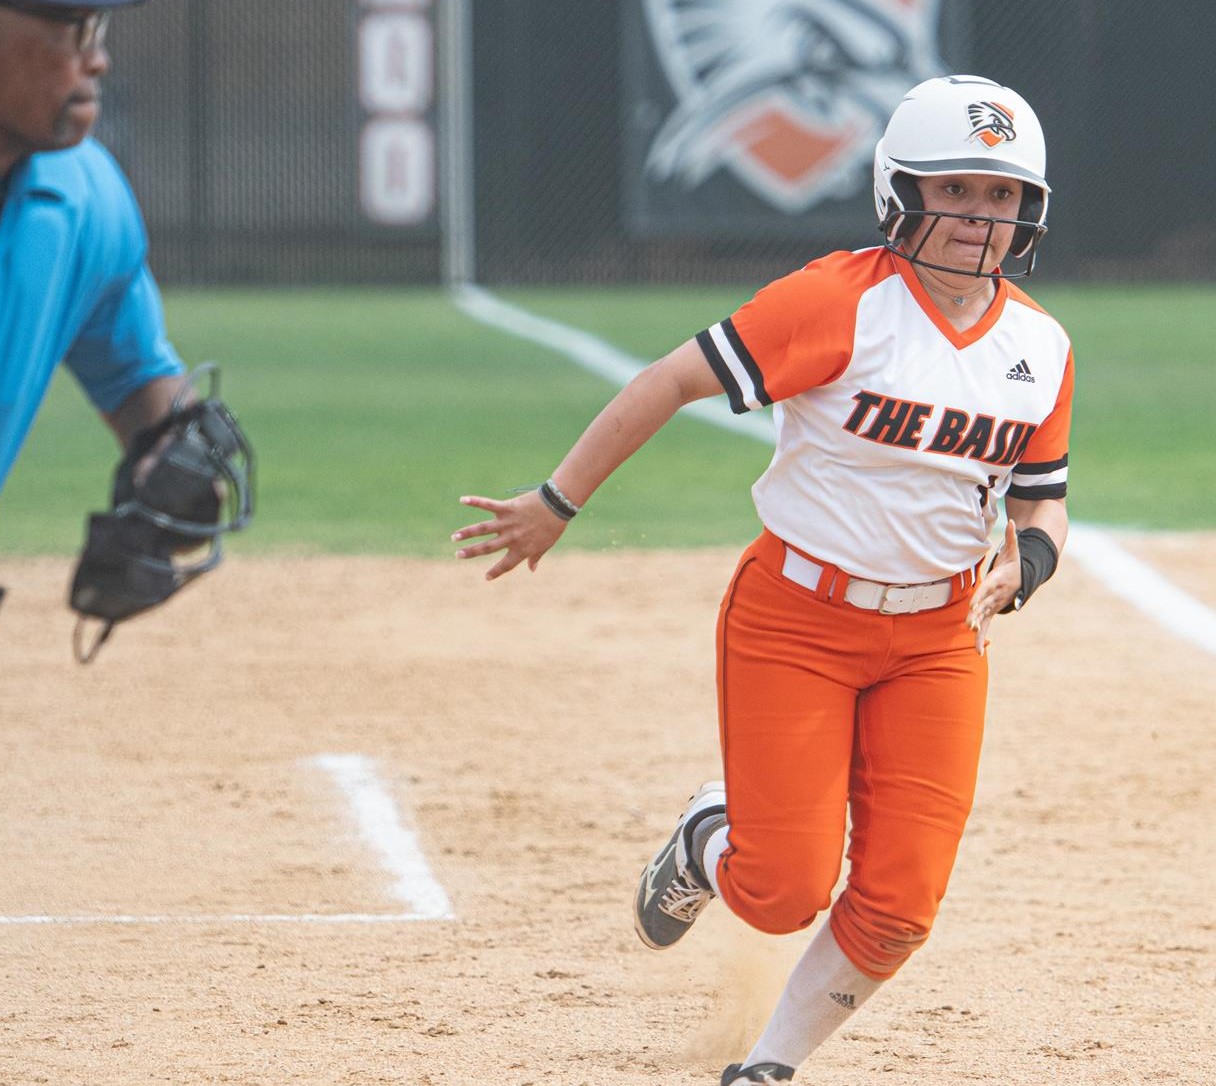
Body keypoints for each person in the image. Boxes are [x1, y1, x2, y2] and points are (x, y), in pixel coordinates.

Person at [453, 75, 1073, 1084]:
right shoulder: (835, 302)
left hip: (937, 643)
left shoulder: (1039, 347)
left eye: (1000, 197)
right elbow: (669, 380)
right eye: (955, 190)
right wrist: (556, 502)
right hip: (797, 619)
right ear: (899, 192)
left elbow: (1040, 496)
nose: (978, 218)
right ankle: (709, 836)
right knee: (781, 889)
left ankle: (769, 1065)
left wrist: (1031, 561)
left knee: (899, 902)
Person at [0, 3, 193, 1083]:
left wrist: (170, 472)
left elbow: (143, 386)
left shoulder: (79, 193)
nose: (97, 55)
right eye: (70, 27)